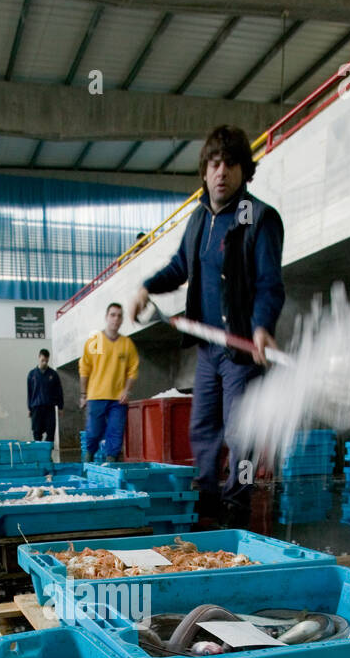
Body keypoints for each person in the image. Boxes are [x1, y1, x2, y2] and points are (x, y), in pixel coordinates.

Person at [129, 124, 285, 524]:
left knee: (240, 434)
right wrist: (148, 286)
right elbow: (181, 266)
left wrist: (263, 326)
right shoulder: (199, 219)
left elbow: (269, 284)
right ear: (204, 171)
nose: (221, 172)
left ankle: (238, 503)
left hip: (240, 350)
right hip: (207, 348)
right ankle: (208, 501)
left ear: (243, 172)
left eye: (231, 165)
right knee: (203, 428)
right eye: (214, 164)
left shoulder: (260, 219)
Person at [78, 302, 139, 462]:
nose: (115, 319)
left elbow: (133, 370)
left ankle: (111, 464)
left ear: (122, 320)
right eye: (112, 315)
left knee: (115, 434)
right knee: (93, 433)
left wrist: (127, 390)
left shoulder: (127, 344)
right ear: (106, 317)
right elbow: (84, 368)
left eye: (119, 316)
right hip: (96, 396)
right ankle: (88, 458)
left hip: (118, 400)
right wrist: (83, 394)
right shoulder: (95, 341)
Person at [26, 349, 64, 443]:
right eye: (42, 360)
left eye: (46, 361)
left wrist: (60, 407)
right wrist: (29, 408)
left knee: (51, 432)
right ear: (39, 357)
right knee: (37, 433)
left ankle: (47, 453)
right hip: (36, 408)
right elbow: (29, 393)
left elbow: (59, 391)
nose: (44, 363)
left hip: (49, 407)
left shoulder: (53, 374)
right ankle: (39, 454)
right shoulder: (32, 375)